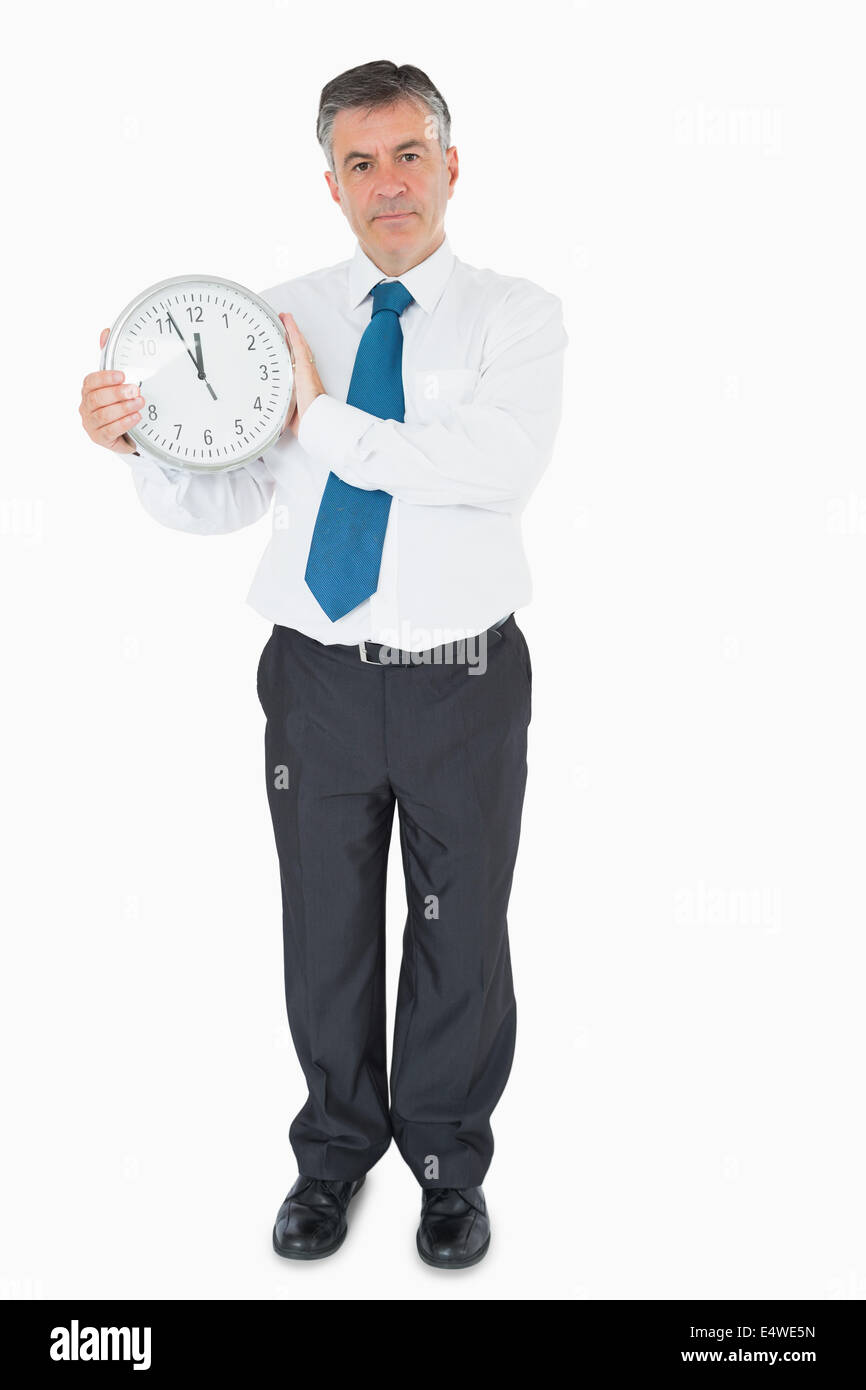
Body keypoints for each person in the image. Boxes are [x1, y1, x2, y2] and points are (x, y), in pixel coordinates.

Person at [78, 59, 568, 1269]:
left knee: (460, 930)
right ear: (331, 185)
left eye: (409, 155)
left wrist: (324, 417)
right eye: (361, 163)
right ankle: (332, 1158)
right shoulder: (270, 316)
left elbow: (489, 467)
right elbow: (230, 495)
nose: (388, 183)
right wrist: (142, 444)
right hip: (320, 681)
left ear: (451, 166)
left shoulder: (516, 316)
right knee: (327, 924)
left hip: (462, 679)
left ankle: (448, 1167)